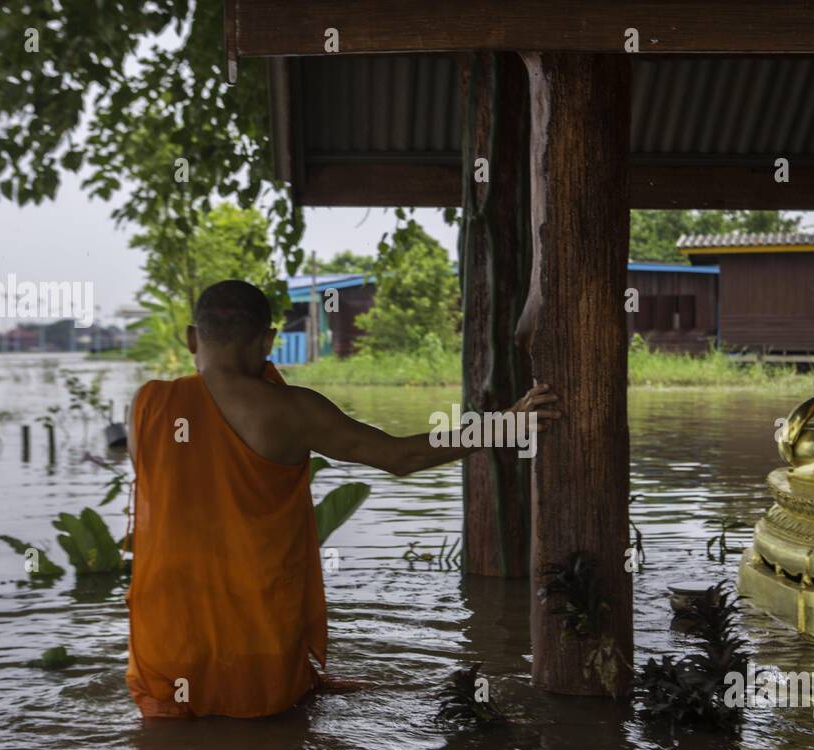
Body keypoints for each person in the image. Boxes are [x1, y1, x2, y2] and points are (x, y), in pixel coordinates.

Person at [125, 280, 558, 718]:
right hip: (256, 642)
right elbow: (400, 456)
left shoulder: (148, 404)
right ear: (269, 339)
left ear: (191, 337)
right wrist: (506, 423)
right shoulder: (293, 410)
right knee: (270, 739)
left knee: (171, 749)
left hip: (168, 639)